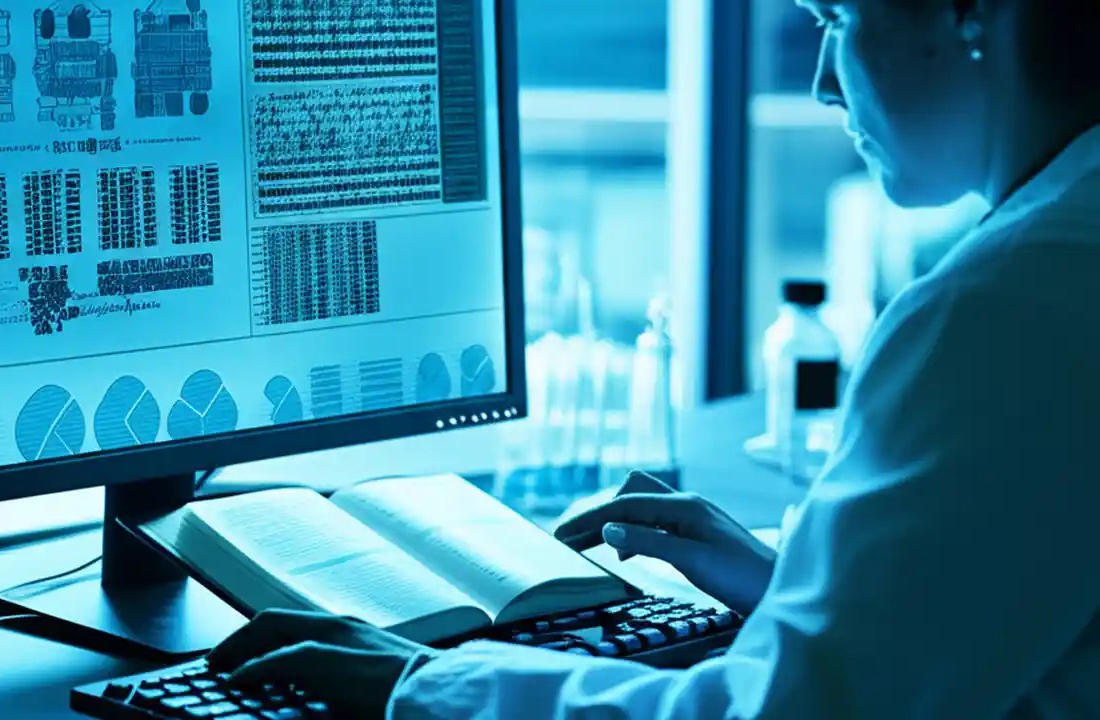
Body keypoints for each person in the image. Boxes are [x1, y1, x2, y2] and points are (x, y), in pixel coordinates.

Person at [209, 0, 1100, 717]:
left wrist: (423, 686)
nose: (824, 83)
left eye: (835, 18)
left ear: (972, 13)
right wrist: (803, 590)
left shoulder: (1006, 306)